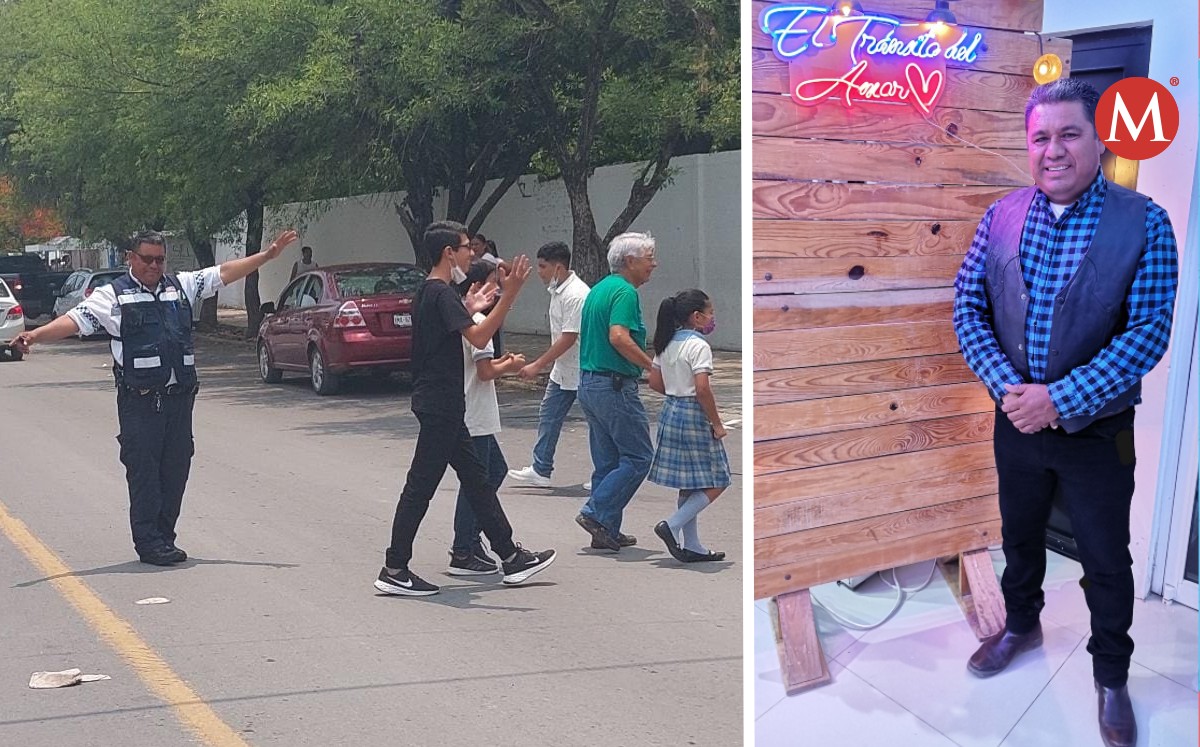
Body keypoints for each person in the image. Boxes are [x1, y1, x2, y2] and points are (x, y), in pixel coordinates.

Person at [952, 79, 1178, 747]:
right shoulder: (1001, 215)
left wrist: (1061, 396)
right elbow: (969, 309)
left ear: (1099, 138)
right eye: (1041, 137)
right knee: (1019, 537)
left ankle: (1111, 674)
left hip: (1097, 432)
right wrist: (1011, 391)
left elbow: (1148, 331)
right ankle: (1021, 623)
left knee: (1106, 557)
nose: (1053, 149)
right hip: (1015, 422)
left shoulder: (1145, 221)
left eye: (1069, 133)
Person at [11, 228, 301, 565]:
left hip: (179, 399)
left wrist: (265, 257)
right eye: (147, 258)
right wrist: (35, 335)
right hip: (140, 400)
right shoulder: (112, 296)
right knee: (144, 471)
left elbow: (223, 274)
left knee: (176, 469)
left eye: (159, 259)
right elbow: (75, 321)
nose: (154, 265)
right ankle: (148, 542)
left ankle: (164, 537)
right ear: (131, 259)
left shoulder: (179, 287)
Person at [374, 220, 555, 596]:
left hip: (446, 405)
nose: (471, 253)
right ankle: (394, 568)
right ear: (448, 253)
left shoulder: (436, 292)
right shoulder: (438, 292)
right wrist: (511, 295)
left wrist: (471, 304)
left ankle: (509, 555)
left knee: (478, 480)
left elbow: (454, 323)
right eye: (465, 247)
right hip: (439, 405)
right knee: (420, 487)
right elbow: (479, 335)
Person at [573, 232, 657, 552]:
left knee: (608, 462)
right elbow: (619, 337)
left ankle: (605, 528)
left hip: (591, 382)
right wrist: (650, 365)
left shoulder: (599, 290)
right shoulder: (624, 292)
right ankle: (596, 513)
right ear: (630, 261)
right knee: (638, 456)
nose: (654, 264)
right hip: (614, 384)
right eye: (649, 258)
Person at [647, 289, 729, 563]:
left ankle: (692, 545)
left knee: (689, 483)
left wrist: (675, 390)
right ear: (697, 317)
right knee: (718, 479)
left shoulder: (667, 343)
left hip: (671, 410)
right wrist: (716, 423)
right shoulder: (698, 346)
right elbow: (702, 389)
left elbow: (655, 383)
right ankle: (672, 525)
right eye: (710, 312)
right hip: (693, 413)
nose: (712, 317)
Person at [447, 308, 526, 576]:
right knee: (477, 481)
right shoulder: (480, 323)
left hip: (470, 411)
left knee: (494, 471)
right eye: (495, 284)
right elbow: (484, 371)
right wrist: (510, 366)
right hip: (476, 415)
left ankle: (471, 537)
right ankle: (463, 548)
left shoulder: (464, 321)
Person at [508, 241, 591, 488]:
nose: (539, 272)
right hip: (563, 370)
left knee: (597, 423)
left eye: (543, 267)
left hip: (582, 368)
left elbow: (569, 337)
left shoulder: (576, 294)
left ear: (558, 267)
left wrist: (538, 364)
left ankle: (605, 474)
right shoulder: (558, 290)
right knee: (549, 415)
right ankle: (541, 468)